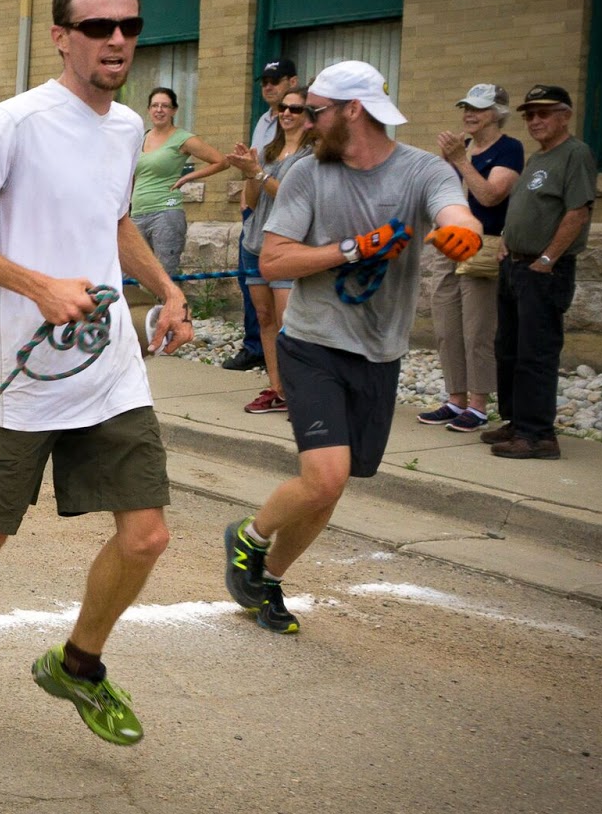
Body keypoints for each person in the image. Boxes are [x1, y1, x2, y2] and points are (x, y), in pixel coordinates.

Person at [0, 0, 192, 750]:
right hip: (24, 376)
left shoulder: (129, 127)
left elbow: (115, 223)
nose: (117, 41)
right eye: (99, 27)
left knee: (147, 536)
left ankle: (79, 663)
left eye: (129, 27)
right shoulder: (13, 123)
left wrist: (168, 290)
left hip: (109, 370)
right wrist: (36, 285)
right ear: (61, 36)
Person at [221, 61, 482, 634]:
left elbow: (452, 208)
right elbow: (275, 260)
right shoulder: (308, 175)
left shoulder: (420, 172)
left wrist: (463, 230)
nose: (305, 123)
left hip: (379, 352)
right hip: (312, 341)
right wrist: (353, 247)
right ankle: (250, 535)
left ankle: (265, 578)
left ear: (353, 111)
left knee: (331, 489)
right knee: (326, 476)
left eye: (314, 112)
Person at [486, 85, 596, 461]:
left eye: (544, 113)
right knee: (509, 348)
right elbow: (525, 207)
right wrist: (505, 239)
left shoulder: (575, 154)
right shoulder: (538, 158)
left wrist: (547, 259)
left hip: (543, 270)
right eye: (530, 114)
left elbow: (577, 211)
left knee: (536, 351)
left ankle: (538, 435)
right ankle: (516, 422)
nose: (535, 120)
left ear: (564, 115)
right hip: (514, 264)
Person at [417, 84, 524, 433]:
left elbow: (491, 196)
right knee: (447, 326)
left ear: (498, 113)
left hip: (484, 246)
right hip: (448, 243)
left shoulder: (509, 149)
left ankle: (478, 404)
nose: (469, 114)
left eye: (477, 108)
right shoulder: (461, 149)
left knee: (477, 328)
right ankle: (455, 398)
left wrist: (461, 162)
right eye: (465, 107)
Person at [227, 84, 315, 414]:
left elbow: (293, 200)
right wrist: (250, 173)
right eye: (283, 109)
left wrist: (258, 173)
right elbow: (251, 195)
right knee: (264, 319)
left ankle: (299, 391)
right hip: (255, 242)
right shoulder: (266, 150)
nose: (287, 114)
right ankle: (276, 388)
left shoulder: (311, 157)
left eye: (295, 109)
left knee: (288, 322)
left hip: (286, 246)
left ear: (309, 117)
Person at [223, 58, 299, 372]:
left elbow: (292, 194)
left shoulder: (309, 143)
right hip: (256, 217)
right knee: (254, 295)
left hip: (288, 227)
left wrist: (257, 175)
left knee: (286, 312)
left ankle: (293, 376)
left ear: (292, 83)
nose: (269, 86)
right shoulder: (264, 122)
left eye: (276, 80)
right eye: (265, 81)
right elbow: (254, 169)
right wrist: (246, 204)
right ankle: (257, 351)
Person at [129, 86, 228, 277]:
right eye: (155, 105)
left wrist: (188, 177)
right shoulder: (142, 137)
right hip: (138, 213)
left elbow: (221, 161)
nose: (159, 110)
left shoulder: (182, 138)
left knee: (165, 276)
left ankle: (169, 307)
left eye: (165, 106)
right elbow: (133, 175)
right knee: (133, 277)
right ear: (149, 110)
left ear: (174, 110)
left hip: (166, 213)